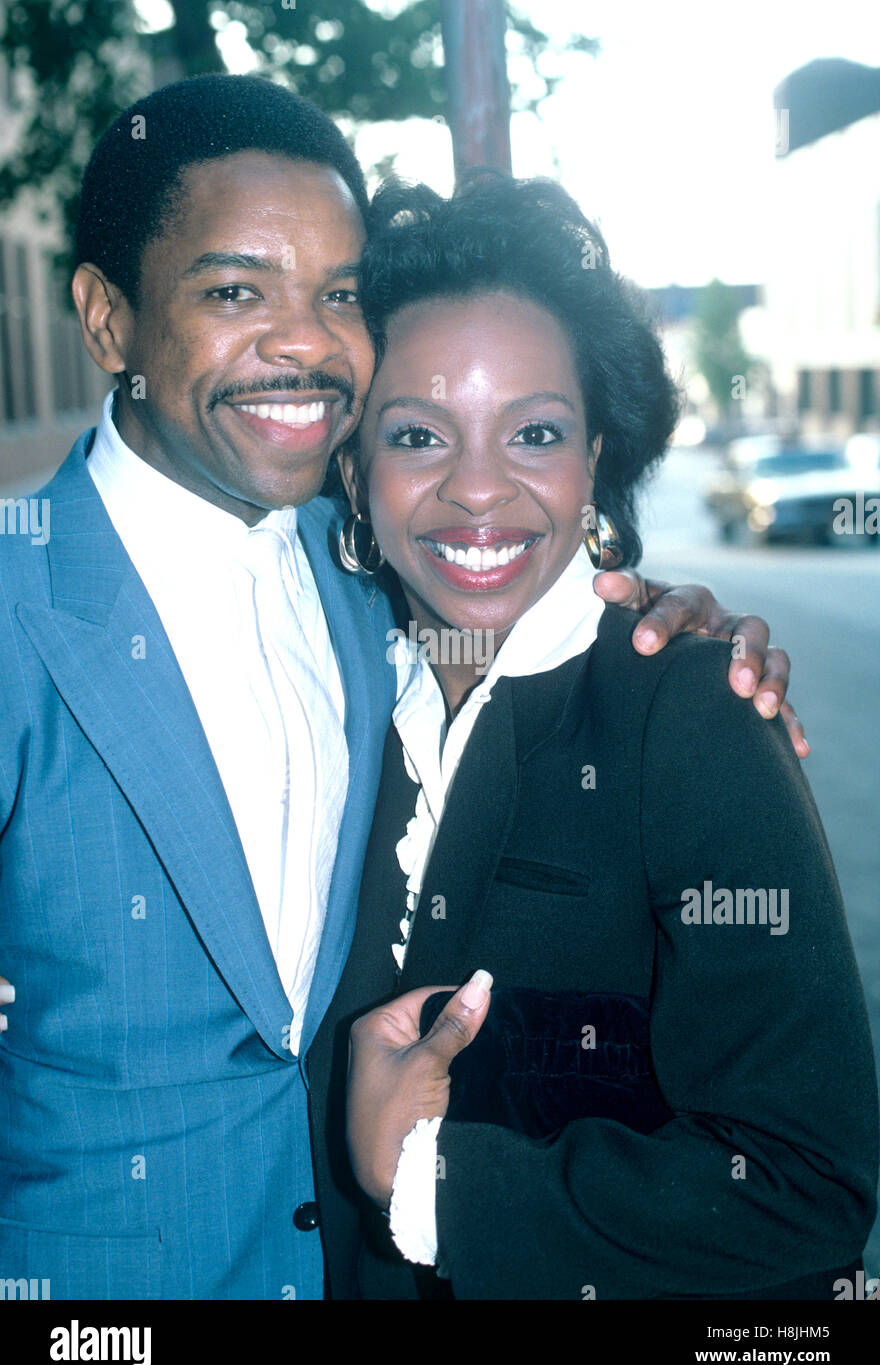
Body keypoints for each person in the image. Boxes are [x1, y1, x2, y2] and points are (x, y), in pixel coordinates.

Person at [0, 73, 806, 1301]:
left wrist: (678, 631)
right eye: (232, 291)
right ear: (108, 322)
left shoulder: (354, 588)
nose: (302, 341)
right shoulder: (21, 595)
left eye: (336, 295)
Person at [308, 175, 879, 1300]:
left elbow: (806, 1183)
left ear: (592, 460)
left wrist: (430, 1180)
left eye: (534, 432)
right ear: (352, 469)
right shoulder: (332, 699)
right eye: (418, 433)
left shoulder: (693, 707)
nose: (478, 490)